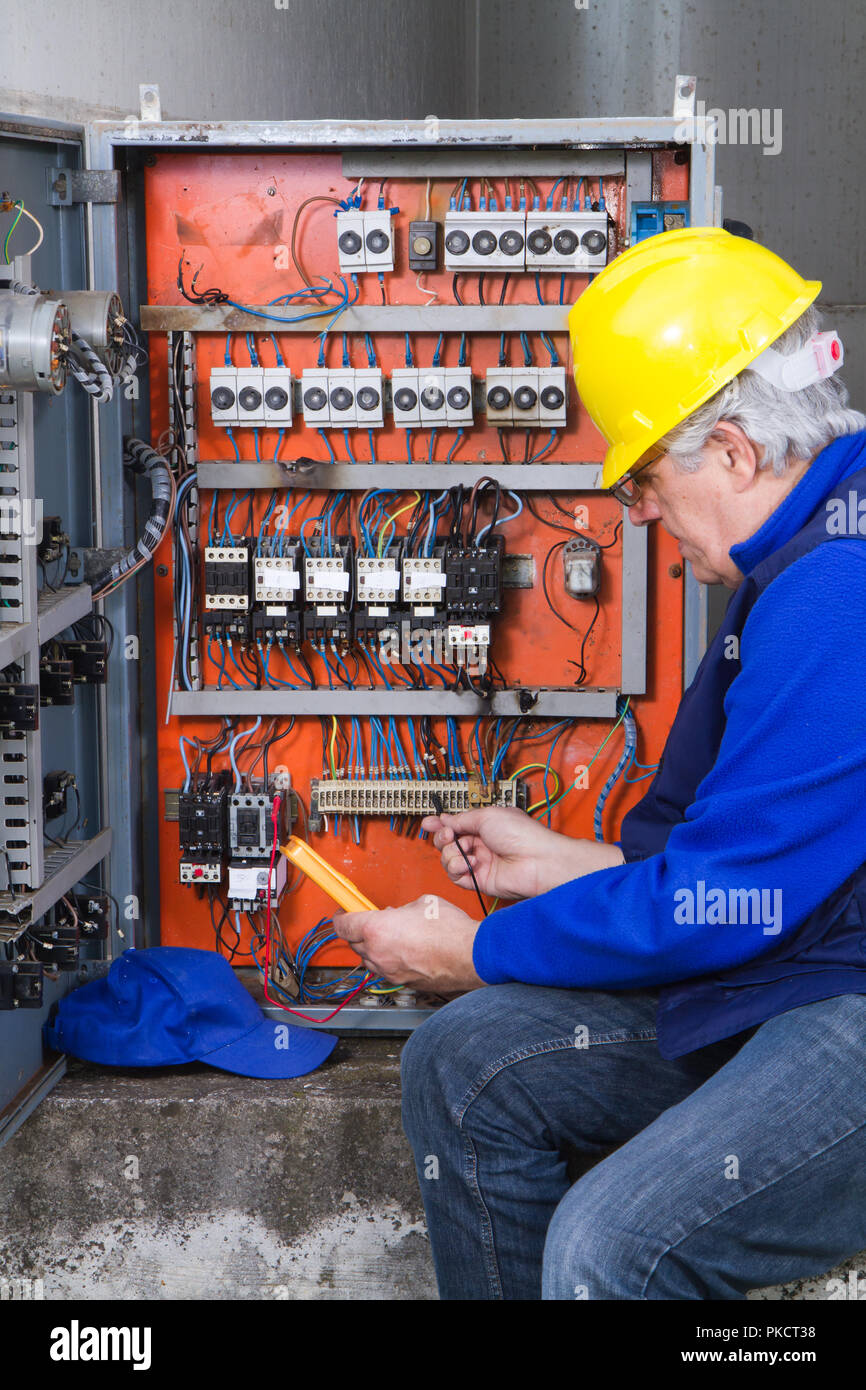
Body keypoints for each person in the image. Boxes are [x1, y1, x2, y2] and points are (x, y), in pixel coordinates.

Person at [334, 228, 866, 1299]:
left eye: (641, 481)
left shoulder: (833, 590)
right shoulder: (797, 553)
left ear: (730, 450)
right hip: (806, 956)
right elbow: (749, 863)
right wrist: (563, 864)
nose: (640, 517)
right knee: (467, 1067)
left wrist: (482, 950)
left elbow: (729, 897)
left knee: (610, 1248)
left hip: (838, 992)